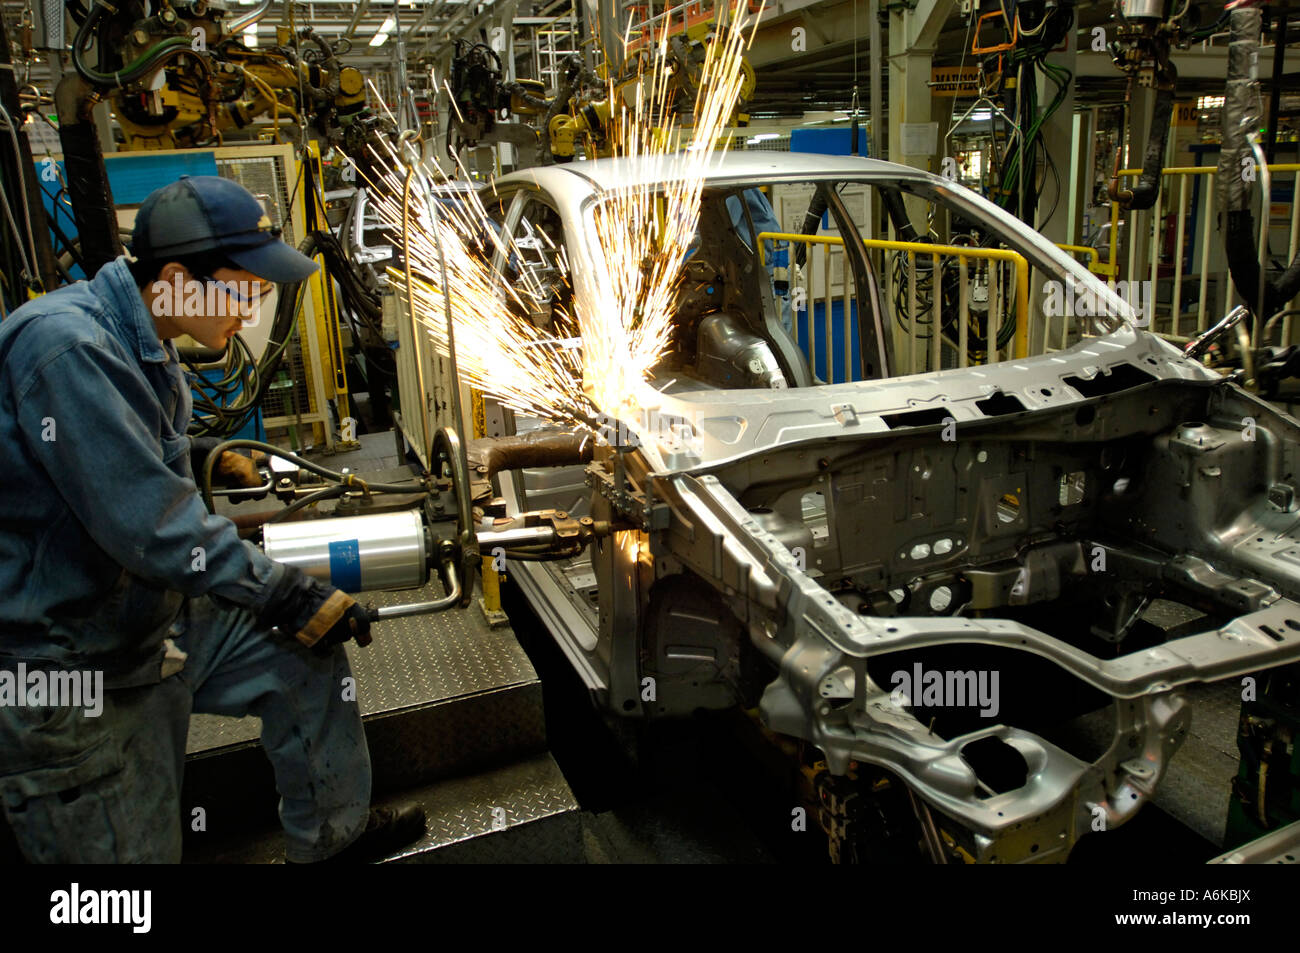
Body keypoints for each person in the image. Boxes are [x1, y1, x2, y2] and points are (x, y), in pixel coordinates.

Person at [0, 175, 425, 863]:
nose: (253, 309)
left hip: (138, 616)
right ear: (174, 278)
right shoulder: (67, 349)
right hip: (67, 666)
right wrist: (285, 589)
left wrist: (201, 458)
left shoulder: (151, 341)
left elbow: (114, 461)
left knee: (301, 656)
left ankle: (332, 840)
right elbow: (154, 530)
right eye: (243, 288)